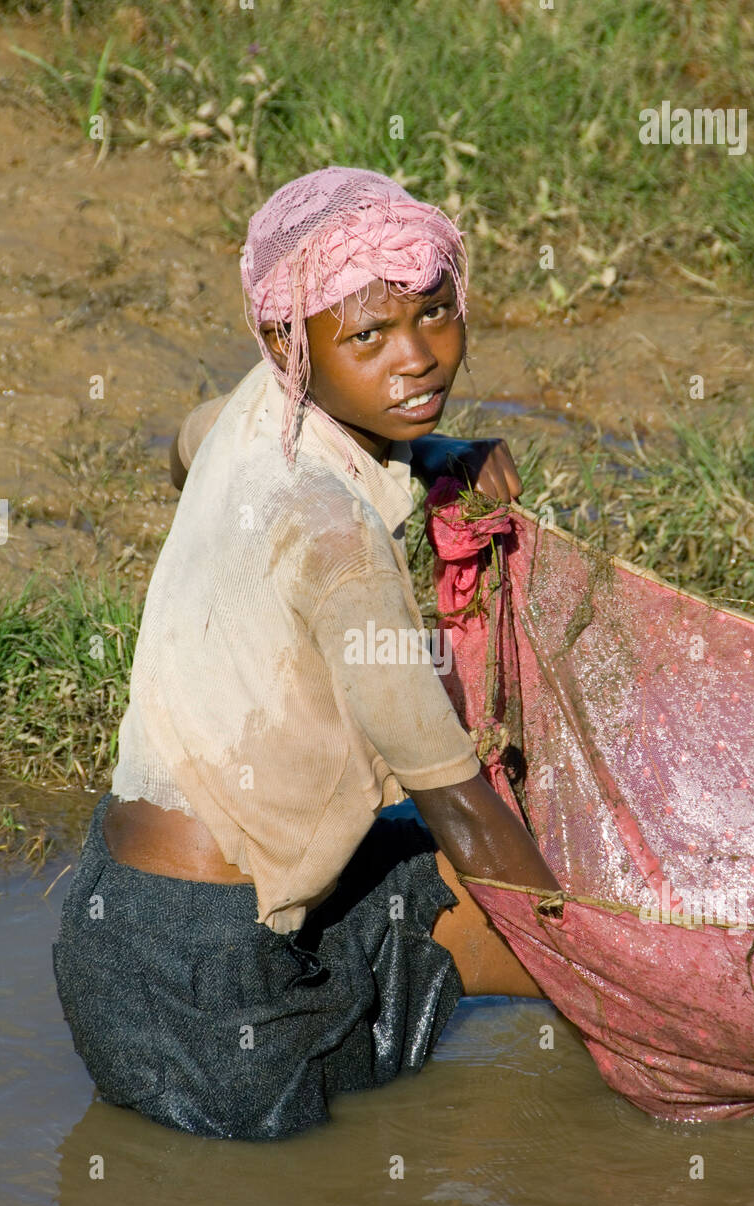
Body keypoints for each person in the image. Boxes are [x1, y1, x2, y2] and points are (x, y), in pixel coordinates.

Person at [52, 167, 560, 1142]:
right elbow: (458, 803)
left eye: (436, 314)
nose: (416, 359)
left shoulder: (248, 411)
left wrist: (433, 453)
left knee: (437, 895)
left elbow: (184, 448)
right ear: (291, 343)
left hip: (110, 934)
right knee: (512, 913)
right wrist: (615, 954)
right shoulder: (336, 546)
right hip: (215, 1003)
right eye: (368, 335)